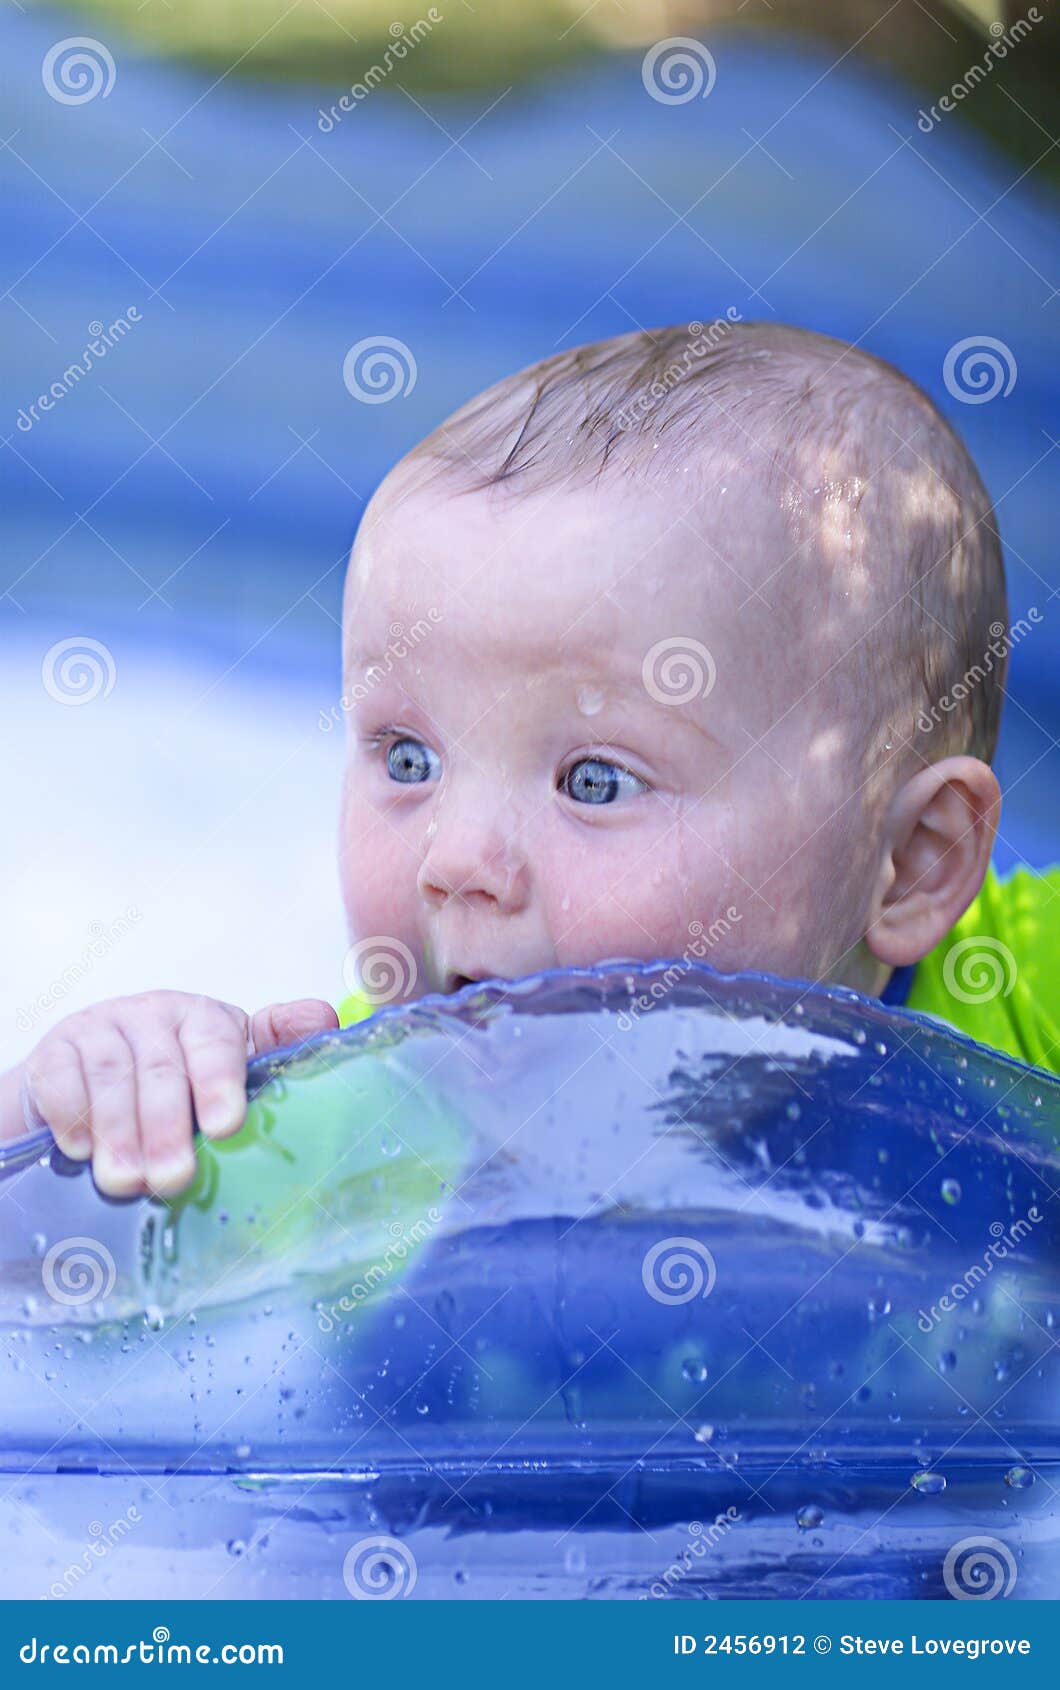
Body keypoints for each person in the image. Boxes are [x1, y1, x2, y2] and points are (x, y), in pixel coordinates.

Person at [3, 321, 1055, 1197]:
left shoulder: (1020, 997)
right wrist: (90, 1100)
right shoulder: (365, 1117)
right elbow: (47, 1271)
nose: (455, 859)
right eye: (408, 758)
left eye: (593, 781)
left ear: (911, 859)